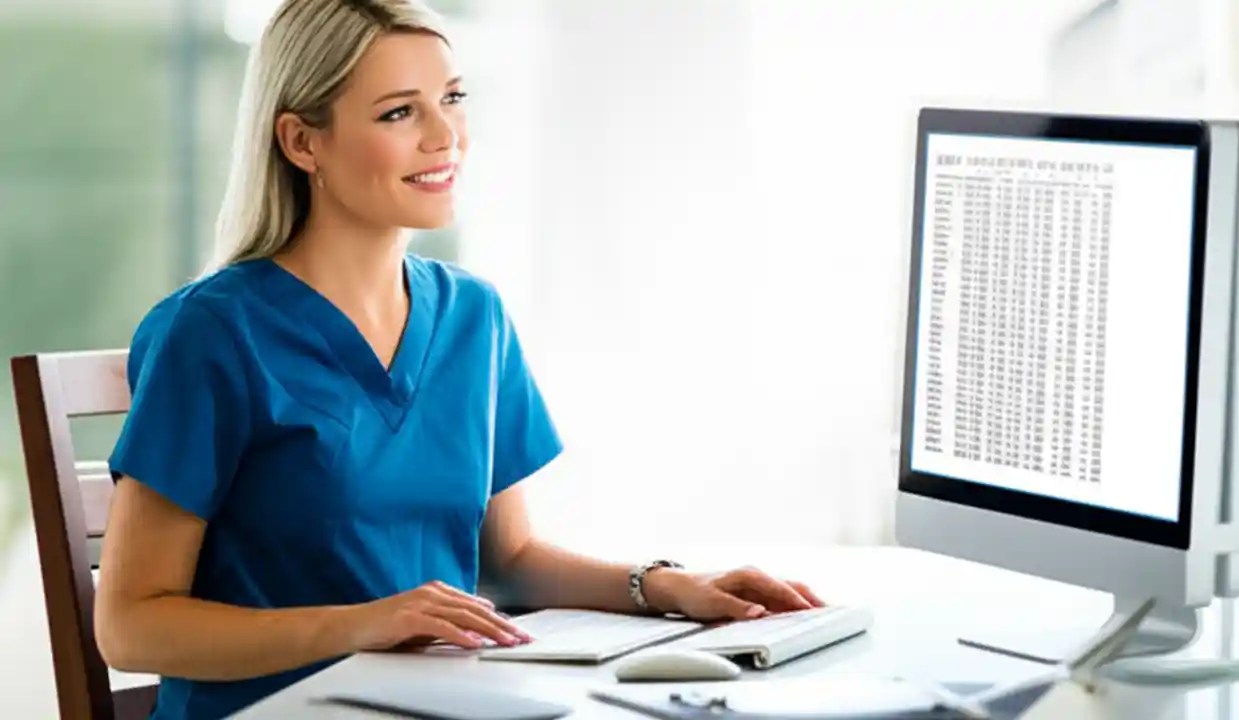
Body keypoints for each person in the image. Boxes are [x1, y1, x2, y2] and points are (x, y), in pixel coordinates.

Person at [95, 1, 825, 718]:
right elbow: (131, 626)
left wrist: (663, 586)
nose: (446, 136)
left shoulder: (474, 317)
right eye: (398, 113)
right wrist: (360, 623)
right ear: (301, 142)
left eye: (451, 98)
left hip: (439, 703)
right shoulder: (212, 334)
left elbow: (508, 559)